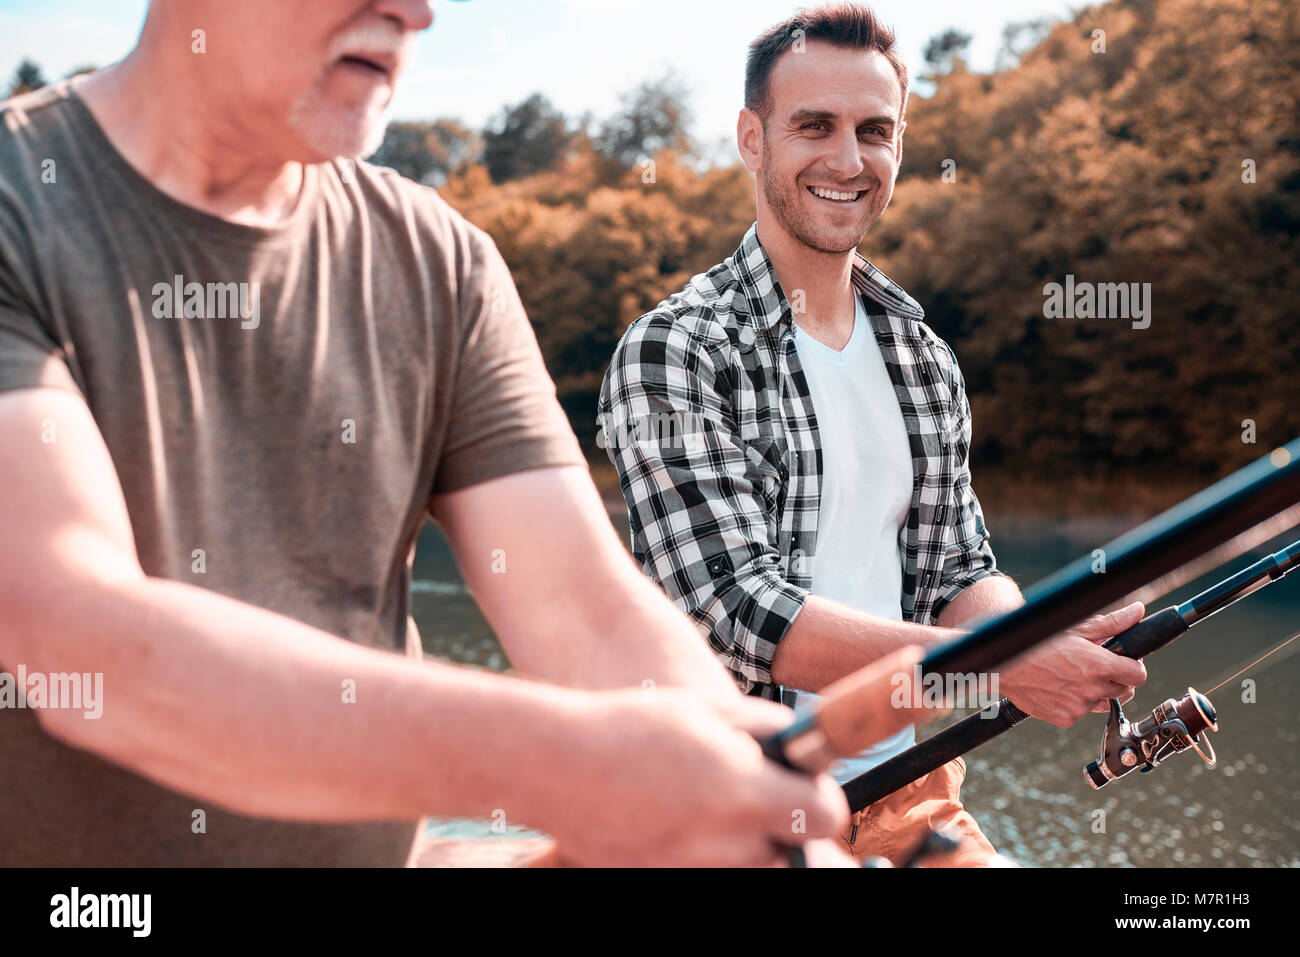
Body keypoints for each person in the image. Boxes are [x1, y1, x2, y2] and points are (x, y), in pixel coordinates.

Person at [0, 0, 852, 867]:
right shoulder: (13, 204)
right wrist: (570, 763)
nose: (418, 11)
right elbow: (82, 648)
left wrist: (747, 804)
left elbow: (583, 609)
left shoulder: (442, 260)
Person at [598, 1, 1149, 866]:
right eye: (813, 126)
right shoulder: (676, 350)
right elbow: (743, 610)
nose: (847, 160)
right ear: (753, 138)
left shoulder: (923, 357)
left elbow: (958, 571)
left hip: (913, 793)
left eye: (874, 131)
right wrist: (998, 664)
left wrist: (1043, 634)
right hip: (731, 804)